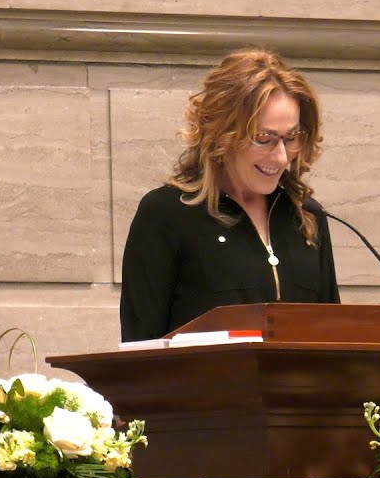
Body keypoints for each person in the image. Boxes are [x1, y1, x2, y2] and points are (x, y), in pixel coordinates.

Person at [119, 49, 340, 342]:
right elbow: (140, 347)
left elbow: (332, 339)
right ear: (220, 134)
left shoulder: (307, 217)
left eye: (290, 138)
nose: (281, 156)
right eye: (264, 138)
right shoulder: (166, 214)